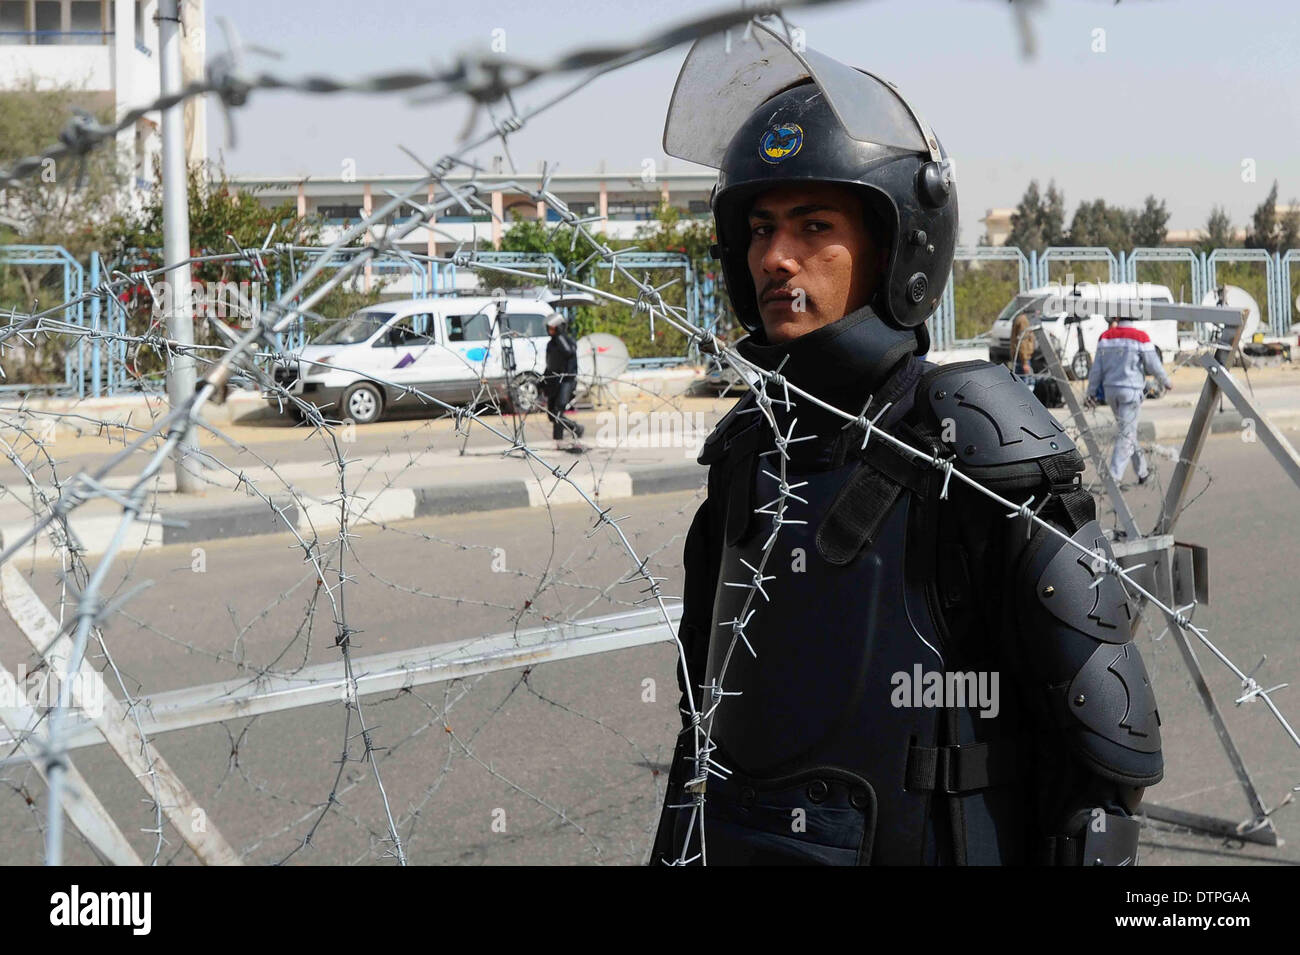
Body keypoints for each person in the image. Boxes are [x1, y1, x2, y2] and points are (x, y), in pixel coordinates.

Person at [649, 32, 1162, 866]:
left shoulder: (975, 434)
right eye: (761, 228)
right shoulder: (750, 446)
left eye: (815, 226)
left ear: (899, 246)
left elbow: (1107, 750)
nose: (776, 257)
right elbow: (700, 724)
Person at [1085, 316, 1173, 486]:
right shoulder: (1140, 337)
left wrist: (1091, 392)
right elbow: (1153, 364)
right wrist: (1166, 382)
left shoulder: (1106, 337)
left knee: (1128, 431)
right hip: (1130, 392)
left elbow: (1096, 369)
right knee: (1126, 433)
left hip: (1111, 391)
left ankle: (1143, 472)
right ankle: (1114, 477)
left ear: (1117, 318)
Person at [542, 314, 585, 451]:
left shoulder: (566, 342)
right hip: (553, 380)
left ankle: (560, 439)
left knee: (558, 412)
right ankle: (575, 427)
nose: (550, 331)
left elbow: (569, 352)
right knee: (552, 414)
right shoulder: (550, 344)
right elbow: (550, 363)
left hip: (567, 381)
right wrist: (543, 379)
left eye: (553, 328)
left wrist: (560, 337)